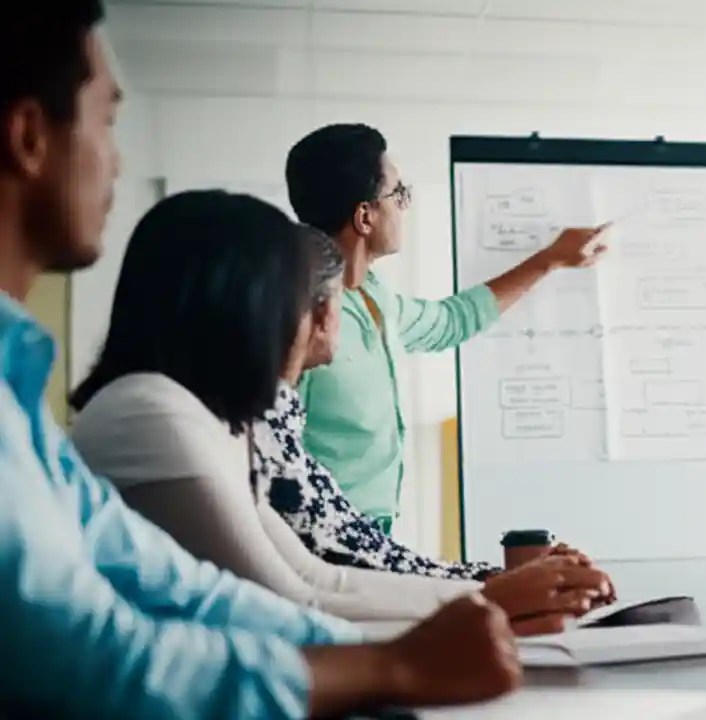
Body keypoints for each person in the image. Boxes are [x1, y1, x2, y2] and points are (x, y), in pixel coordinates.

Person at [0, 4, 518, 716]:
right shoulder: (147, 410)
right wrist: (402, 660)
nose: (115, 157)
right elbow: (99, 657)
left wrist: (436, 632)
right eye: (108, 121)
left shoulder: (24, 395)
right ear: (30, 135)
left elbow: (201, 589)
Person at [69, 190, 611, 631]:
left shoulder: (205, 420)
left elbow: (319, 580)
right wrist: (494, 598)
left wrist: (496, 594)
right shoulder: (150, 412)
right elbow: (293, 600)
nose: (319, 315)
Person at [285, 124, 608, 529]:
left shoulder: (374, 296)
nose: (405, 207)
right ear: (365, 216)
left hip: (375, 531)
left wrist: (549, 260)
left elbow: (452, 321)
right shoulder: (300, 317)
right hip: (319, 538)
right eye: (399, 195)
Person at [255, 223, 500, 579]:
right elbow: (334, 571)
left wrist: (490, 577)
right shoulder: (264, 435)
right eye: (398, 195)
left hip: (367, 541)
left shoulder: (379, 297)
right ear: (324, 314)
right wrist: (488, 582)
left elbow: (373, 555)